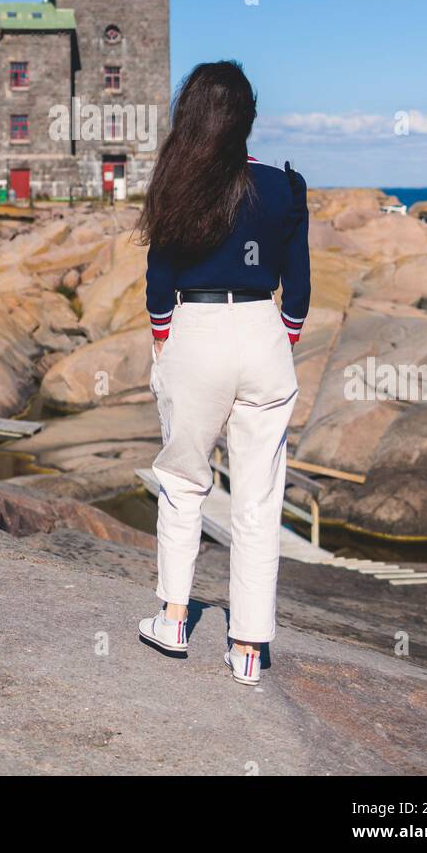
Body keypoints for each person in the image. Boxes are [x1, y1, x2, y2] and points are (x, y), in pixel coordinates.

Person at [136, 61, 310, 686]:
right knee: (259, 501)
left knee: (183, 481)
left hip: (197, 331)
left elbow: (159, 286)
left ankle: (175, 619)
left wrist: (165, 343)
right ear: (248, 118)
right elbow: (299, 292)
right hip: (263, 334)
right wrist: (277, 339)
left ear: (191, 115)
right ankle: (246, 648)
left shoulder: (176, 181)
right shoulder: (285, 186)